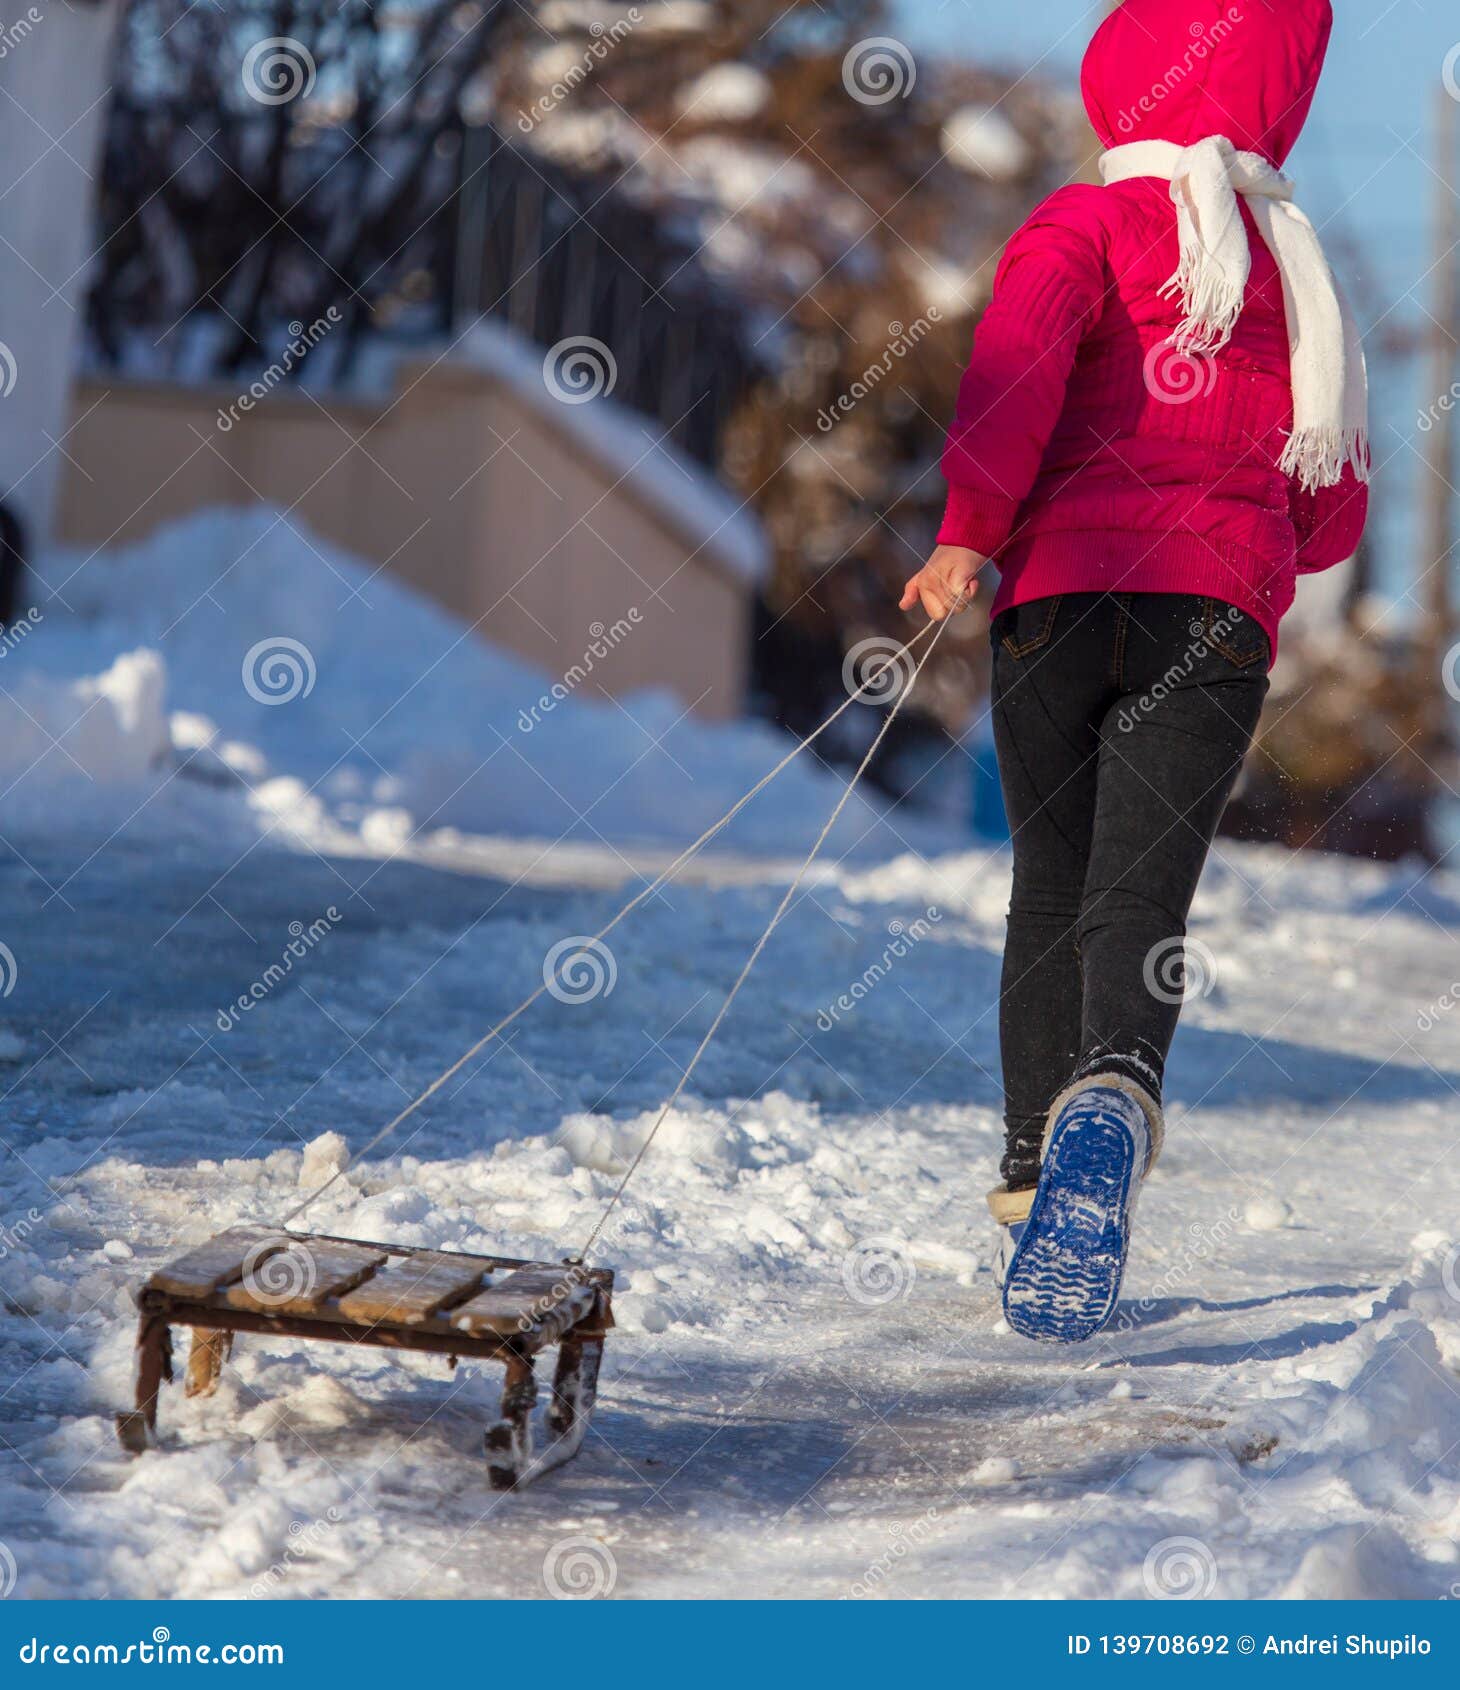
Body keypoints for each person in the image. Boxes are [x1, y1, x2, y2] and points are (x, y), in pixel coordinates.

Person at [899, 0, 1368, 1343]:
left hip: (1056, 603)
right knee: (1136, 894)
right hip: (1212, 625)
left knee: (1048, 885)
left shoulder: (1081, 228)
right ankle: (1112, 1087)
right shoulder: (1295, 272)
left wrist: (966, 536)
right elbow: (1330, 515)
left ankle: (1034, 1177)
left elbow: (1014, 378)